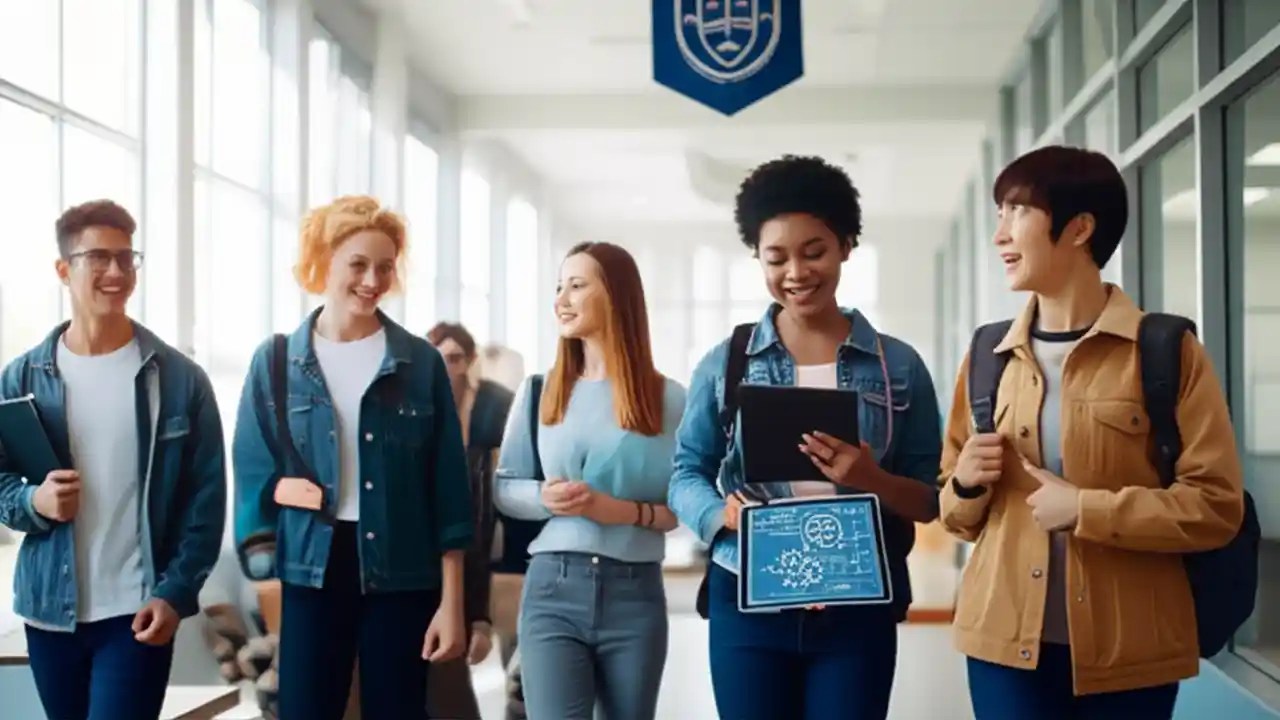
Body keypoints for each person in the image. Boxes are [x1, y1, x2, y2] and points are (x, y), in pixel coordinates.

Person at [938, 146, 1245, 718]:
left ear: (1079, 229)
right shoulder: (988, 354)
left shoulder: (1166, 352)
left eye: (1017, 212)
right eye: (998, 214)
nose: (999, 235)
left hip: (1130, 650)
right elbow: (955, 518)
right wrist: (964, 483)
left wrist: (1085, 508)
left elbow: (1215, 505)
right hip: (1002, 644)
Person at [667, 155, 943, 720]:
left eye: (814, 251)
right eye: (777, 258)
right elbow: (685, 473)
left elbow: (932, 497)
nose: (796, 272)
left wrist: (870, 479)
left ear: (846, 244)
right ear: (758, 259)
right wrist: (722, 514)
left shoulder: (899, 366)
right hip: (746, 596)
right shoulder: (727, 363)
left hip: (856, 603)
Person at [233, 195, 472, 720]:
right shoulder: (276, 361)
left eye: (385, 267)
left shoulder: (420, 362)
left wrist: (452, 604)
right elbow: (252, 467)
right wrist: (277, 497)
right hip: (311, 566)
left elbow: (450, 492)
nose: (373, 280)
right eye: (358, 265)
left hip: (403, 569)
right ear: (324, 263)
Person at [0, 200, 227, 719]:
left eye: (128, 258)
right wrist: (34, 500)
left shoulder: (179, 381)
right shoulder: (21, 378)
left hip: (137, 611)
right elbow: (0, 483)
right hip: (49, 616)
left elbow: (205, 502)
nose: (117, 272)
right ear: (64, 269)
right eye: (99, 258)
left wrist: (175, 592)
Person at [494, 241, 686, 720]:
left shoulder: (671, 400)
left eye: (577, 285)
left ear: (617, 296)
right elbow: (504, 487)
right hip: (552, 588)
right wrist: (545, 497)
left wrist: (619, 512)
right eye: (559, 286)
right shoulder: (540, 390)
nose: (562, 298)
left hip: (635, 594)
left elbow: (683, 507)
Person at [424, 322, 515, 720]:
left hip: (491, 520)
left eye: (456, 358)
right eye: (439, 359)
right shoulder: (421, 401)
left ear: (470, 361)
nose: (448, 368)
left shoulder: (496, 404)